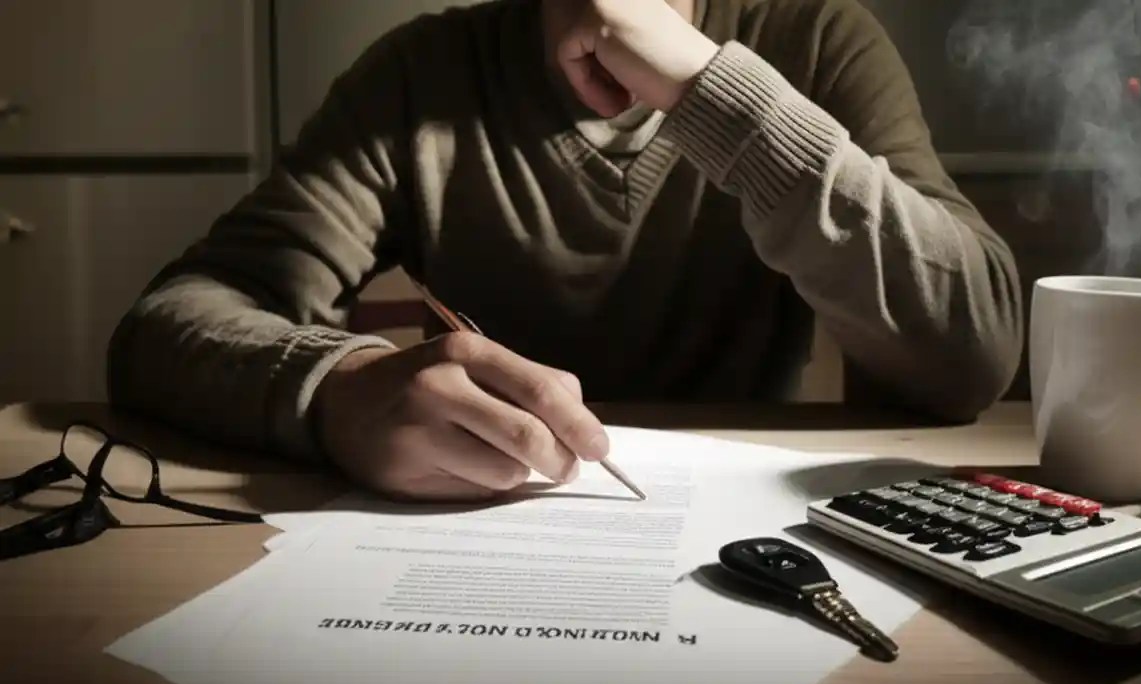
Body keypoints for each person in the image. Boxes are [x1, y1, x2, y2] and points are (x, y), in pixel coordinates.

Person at [107, 0, 1023, 502]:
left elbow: (969, 356)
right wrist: (336, 390)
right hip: (459, 548)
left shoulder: (816, 38)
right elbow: (169, 325)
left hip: (733, 548)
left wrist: (710, 86)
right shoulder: (420, 73)